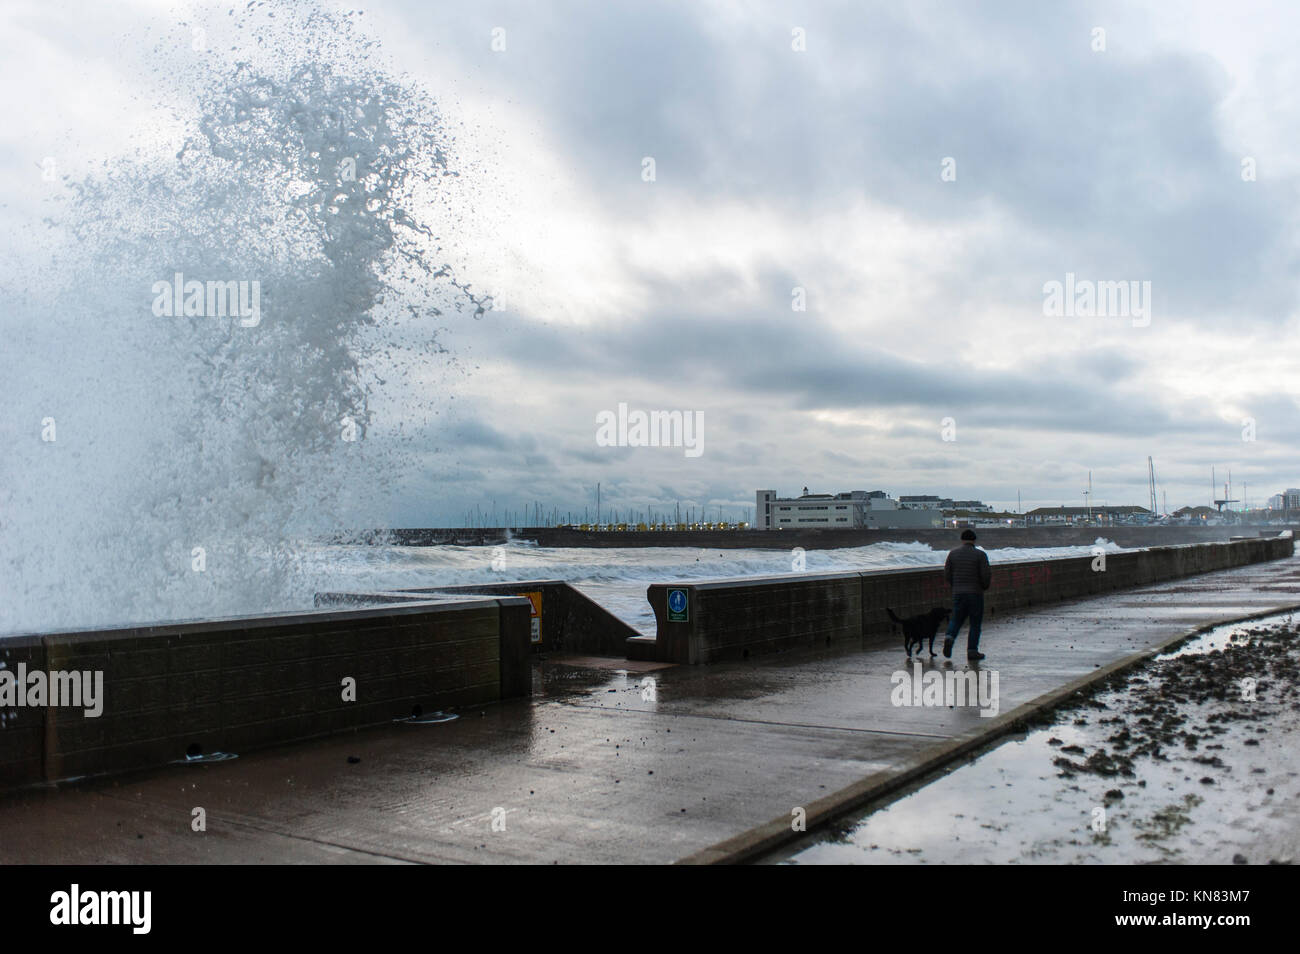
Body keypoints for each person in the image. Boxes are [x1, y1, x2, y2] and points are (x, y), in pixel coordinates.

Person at [942, 529, 991, 661]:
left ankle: (949, 637)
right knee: (975, 623)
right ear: (974, 540)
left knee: (957, 619)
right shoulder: (980, 555)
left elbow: (947, 574)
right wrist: (984, 587)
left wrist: (955, 586)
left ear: (962, 540)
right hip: (975, 593)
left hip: (959, 592)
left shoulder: (953, 554)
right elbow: (985, 576)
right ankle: (972, 651)